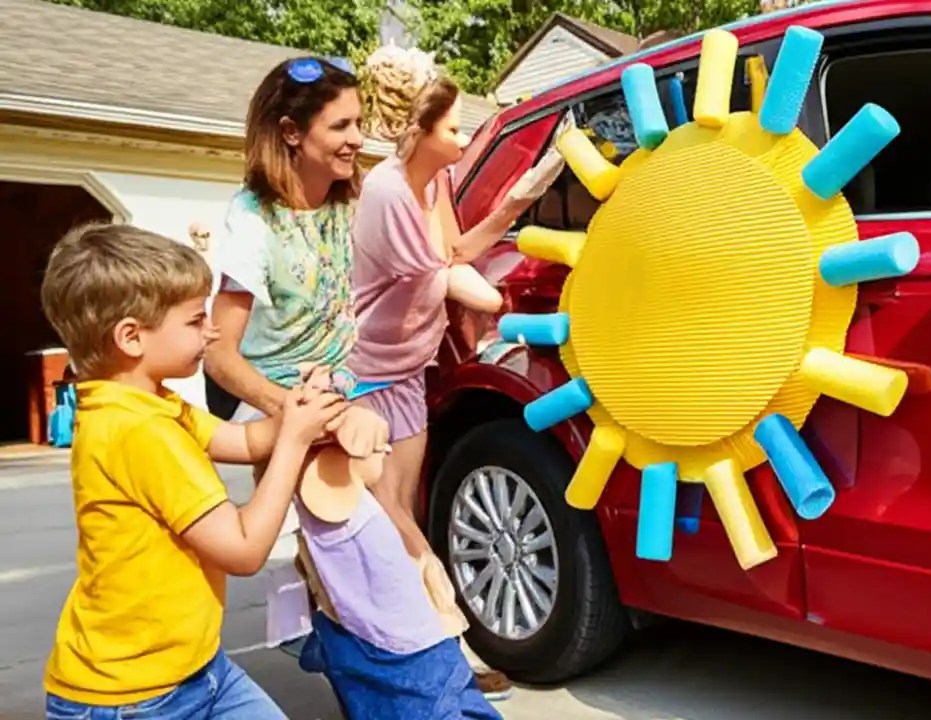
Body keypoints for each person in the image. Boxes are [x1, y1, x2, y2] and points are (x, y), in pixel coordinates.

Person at [203, 56, 507, 709]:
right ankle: (436, 677)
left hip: (369, 388)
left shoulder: (360, 194)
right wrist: (297, 415)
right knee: (377, 561)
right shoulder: (253, 220)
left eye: (360, 123)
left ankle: (425, 665)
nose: (356, 138)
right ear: (291, 132)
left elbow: (435, 257)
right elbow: (221, 356)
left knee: (384, 551)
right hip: (298, 404)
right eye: (341, 125)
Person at [39, 223, 347, 720]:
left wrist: (300, 412)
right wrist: (294, 440)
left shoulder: (148, 404)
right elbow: (244, 549)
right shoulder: (139, 434)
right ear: (131, 337)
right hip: (132, 701)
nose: (212, 330)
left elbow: (243, 439)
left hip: (198, 670)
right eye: (193, 319)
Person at [348, 68, 563, 633]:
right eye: (453, 129)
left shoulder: (436, 183)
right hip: (367, 375)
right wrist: (496, 305)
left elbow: (458, 249)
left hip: (411, 368)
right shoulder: (386, 191)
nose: (465, 142)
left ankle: (418, 632)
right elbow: (435, 271)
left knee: (400, 507)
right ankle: (439, 630)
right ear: (418, 130)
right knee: (389, 513)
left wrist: (521, 199)